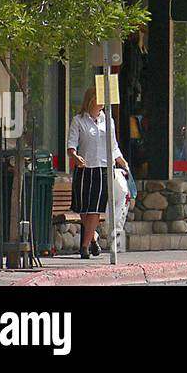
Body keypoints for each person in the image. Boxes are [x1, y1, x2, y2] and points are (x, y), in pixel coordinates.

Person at [66, 87, 128, 259]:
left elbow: (113, 147)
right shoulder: (78, 120)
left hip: (102, 169)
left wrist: (123, 163)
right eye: (100, 98)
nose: (102, 103)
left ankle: (84, 247)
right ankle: (92, 237)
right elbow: (71, 145)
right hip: (84, 169)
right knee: (83, 209)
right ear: (92, 99)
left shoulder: (108, 121)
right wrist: (75, 156)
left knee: (95, 208)